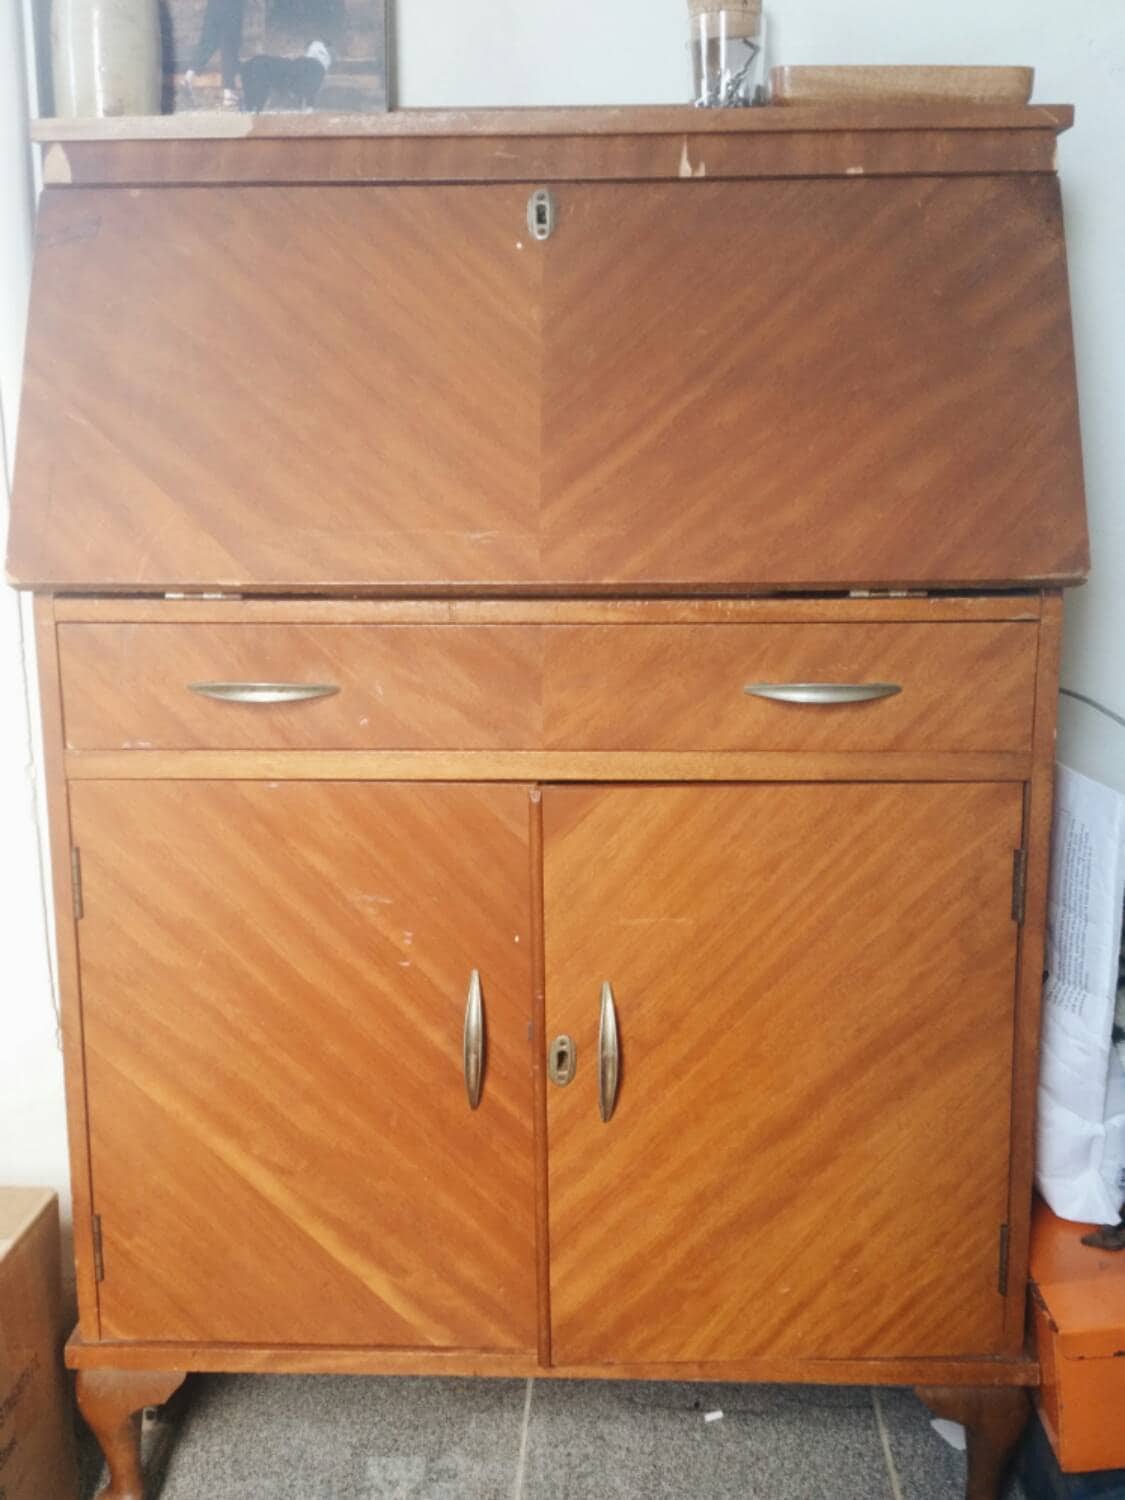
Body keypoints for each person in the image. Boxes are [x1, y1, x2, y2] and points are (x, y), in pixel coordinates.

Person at [184, 0, 247, 109]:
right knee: (229, 46)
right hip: (232, 5)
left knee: (208, 41)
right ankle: (228, 94)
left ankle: (189, 76)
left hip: (214, 5)